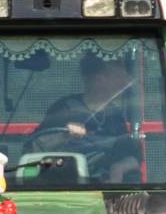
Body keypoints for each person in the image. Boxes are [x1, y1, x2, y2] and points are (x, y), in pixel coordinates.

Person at [35, 52, 142, 181]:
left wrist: (119, 167)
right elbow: (35, 148)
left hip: (107, 188)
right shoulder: (66, 108)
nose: (125, 82)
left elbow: (134, 156)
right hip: (68, 185)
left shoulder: (115, 114)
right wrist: (64, 135)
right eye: (118, 77)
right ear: (98, 79)